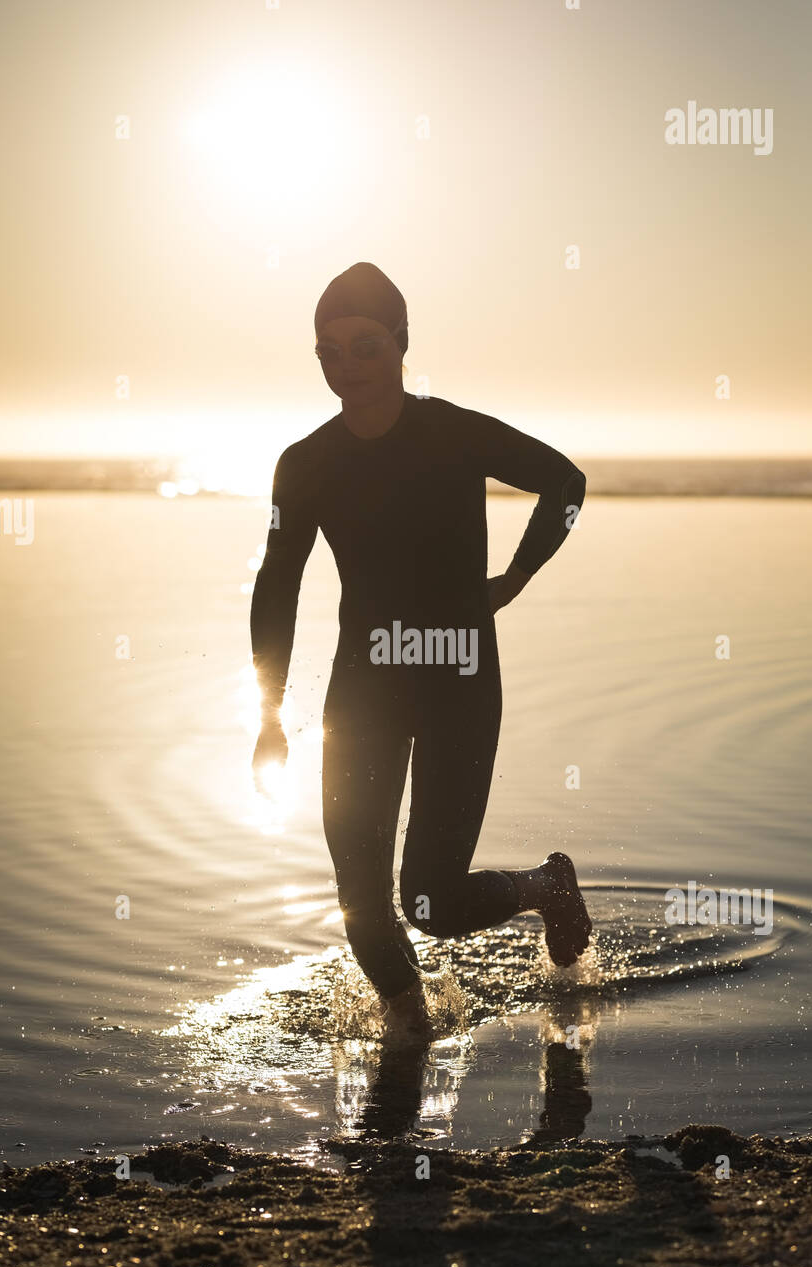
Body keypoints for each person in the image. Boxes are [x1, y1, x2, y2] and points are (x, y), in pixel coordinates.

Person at [251, 262, 591, 1041]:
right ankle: (410, 1037)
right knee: (360, 903)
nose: (347, 368)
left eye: (365, 346)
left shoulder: (451, 431)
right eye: (328, 352)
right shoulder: (304, 464)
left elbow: (565, 483)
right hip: (363, 688)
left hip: (458, 682)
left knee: (429, 903)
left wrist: (514, 578)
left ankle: (545, 886)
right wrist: (269, 713)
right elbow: (276, 583)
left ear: (401, 343)